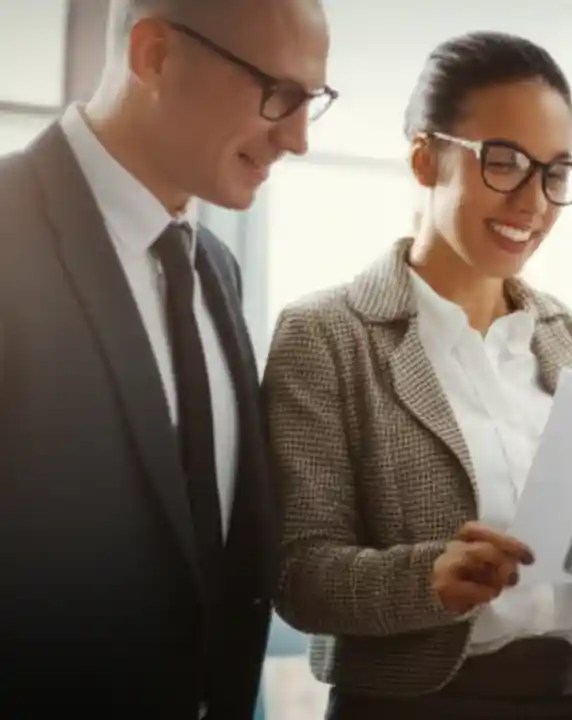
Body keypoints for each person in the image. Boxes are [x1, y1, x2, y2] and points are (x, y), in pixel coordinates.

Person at [264, 31, 572, 720]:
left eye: (555, 171)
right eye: (505, 162)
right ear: (425, 158)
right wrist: (426, 579)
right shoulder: (326, 335)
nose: (534, 201)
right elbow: (298, 575)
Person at [0, 0, 332, 716]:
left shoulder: (213, 267)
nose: (300, 139)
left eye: (315, 102)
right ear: (154, 56)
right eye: (279, 95)